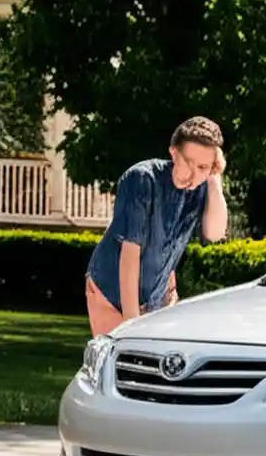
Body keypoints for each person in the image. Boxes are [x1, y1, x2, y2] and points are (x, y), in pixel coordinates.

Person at [84, 116, 229, 336]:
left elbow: (215, 232)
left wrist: (214, 178)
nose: (192, 175)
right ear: (173, 152)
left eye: (203, 167)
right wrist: (131, 326)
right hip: (112, 292)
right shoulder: (142, 180)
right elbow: (130, 255)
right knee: (120, 364)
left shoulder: (202, 186)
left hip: (158, 294)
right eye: (188, 162)